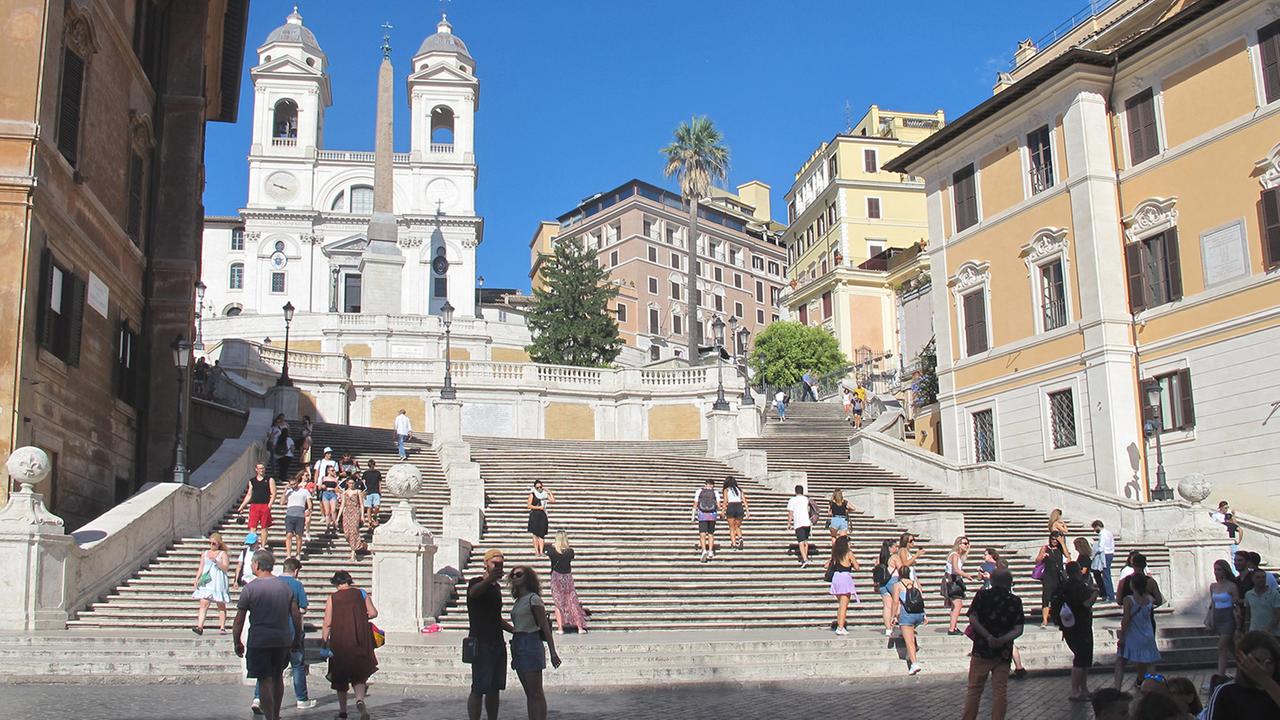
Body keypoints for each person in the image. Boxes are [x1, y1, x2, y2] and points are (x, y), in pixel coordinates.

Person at [232, 550, 303, 720]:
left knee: (264, 679)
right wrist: (296, 638)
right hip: (282, 639)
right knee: (277, 677)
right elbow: (296, 615)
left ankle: (270, 716)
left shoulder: (250, 588)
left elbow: (239, 620)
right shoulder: (285, 587)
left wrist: (237, 641)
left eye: (252, 563)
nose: (251, 565)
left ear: (257, 565)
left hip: (260, 640)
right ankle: (276, 715)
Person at [253, 558, 316, 712]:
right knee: (297, 665)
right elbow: (302, 608)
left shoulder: (273, 582)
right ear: (296, 570)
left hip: (273, 632)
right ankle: (301, 699)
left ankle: (258, 697)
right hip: (292, 631)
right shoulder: (297, 585)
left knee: (267, 668)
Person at [960, 568, 1024, 720]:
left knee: (974, 689)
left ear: (992, 581)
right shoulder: (1015, 600)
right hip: (1003, 651)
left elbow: (973, 619)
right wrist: (1001, 640)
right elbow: (1018, 629)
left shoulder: (982, 596)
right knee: (1000, 691)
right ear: (1009, 583)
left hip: (982, 649)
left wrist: (988, 636)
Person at [508, 565, 562, 720]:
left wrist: (553, 653)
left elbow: (544, 627)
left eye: (519, 574)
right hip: (518, 643)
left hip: (531, 642)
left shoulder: (534, 599)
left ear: (528, 577)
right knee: (529, 693)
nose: (515, 577)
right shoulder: (518, 600)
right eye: (513, 575)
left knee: (536, 692)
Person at [324, 570, 379, 720]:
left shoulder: (333, 598)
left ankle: (343, 711)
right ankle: (360, 700)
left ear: (336, 583)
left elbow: (327, 623)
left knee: (340, 676)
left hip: (340, 641)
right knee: (359, 673)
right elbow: (373, 613)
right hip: (359, 639)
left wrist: (324, 642)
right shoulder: (361, 593)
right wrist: (360, 615)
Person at [468, 549, 514, 720]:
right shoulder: (476, 582)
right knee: (478, 688)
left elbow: (496, 617)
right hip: (481, 642)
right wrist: (489, 580)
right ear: (486, 564)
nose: (498, 567)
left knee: (495, 688)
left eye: (501, 565)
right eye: (495, 564)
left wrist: (513, 630)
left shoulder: (496, 588)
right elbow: (473, 593)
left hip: (497, 641)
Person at [1202, 630, 1280, 719]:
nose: (1262, 668)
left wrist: (1265, 681)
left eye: (1269, 662)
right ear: (1241, 661)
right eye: (1255, 661)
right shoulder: (1226, 692)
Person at [1054, 561, 1097, 702]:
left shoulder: (1063, 586)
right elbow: (1086, 603)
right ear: (1078, 571)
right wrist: (1094, 594)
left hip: (1068, 626)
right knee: (1081, 659)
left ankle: (1084, 689)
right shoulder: (1079, 586)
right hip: (1081, 626)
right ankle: (1075, 691)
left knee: (1083, 658)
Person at [1114, 573, 1161, 690]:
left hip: (1133, 635)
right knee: (1150, 664)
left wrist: (1122, 636)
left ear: (1132, 585)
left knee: (1120, 662)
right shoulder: (1149, 599)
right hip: (1147, 635)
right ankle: (1154, 689)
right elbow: (1158, 601)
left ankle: (1117, 689)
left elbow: (1126, 620)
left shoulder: (1128, 600)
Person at [546, 531, 588, 634]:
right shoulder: (570, 552)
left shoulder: (552, 551)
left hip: (556, 577)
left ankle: (560, 628)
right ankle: (580, 627)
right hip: (567, 577)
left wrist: (553, 545)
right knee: (572, 602)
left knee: (557, 602)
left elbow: (546, 550)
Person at [1207, 559, 1242, 679]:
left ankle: (1220, 675)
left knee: (1222, 646)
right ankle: (1242, 669)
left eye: (1219, 570)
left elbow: (1236, 604)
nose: (1216, 572)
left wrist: (1238, 623)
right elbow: (1212, 604)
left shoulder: (1232, 586)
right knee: (1231, 647)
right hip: (1217, 617)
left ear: (1225, 571)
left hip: (1228, 618)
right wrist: (1210, 619)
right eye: (1215, 569)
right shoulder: (1213, 586)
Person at [891, 562, 927, 675]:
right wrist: (924, 614)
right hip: (918, 614)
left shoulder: (897, 585)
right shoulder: (915, 583)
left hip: (906, 614)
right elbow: (921, 599)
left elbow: (895, 602)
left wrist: (893, 616)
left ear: (899, 574)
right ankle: (910, 654)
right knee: (910, 635)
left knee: (909, 641)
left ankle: (914, 664)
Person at [191, 532, 231, 635]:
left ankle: (222, 627)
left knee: (220, 604)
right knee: (204, 603)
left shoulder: (222, 554)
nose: (212, 545)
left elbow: (226, 568)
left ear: (219, 543)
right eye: (211, 543)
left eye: (214, 543)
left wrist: (217, 562)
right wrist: (197, 578)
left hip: (218, 580)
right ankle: (200, 626)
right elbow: (201, 567)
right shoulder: (205, 553)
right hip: (207, 580)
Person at [825, 534, 860, 635]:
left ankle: (840, 625)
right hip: (845, 577)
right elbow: (857, 567)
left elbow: (826, 565)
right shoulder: (848, 553)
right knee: (844, 605)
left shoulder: (835, 554)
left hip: (836, 578)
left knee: (841, 604)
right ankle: (840, 627)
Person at [237, 463, 278, 547]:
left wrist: (269, 505)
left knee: (264, 527)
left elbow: (274, 493)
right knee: (252, 526)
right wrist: (242, 506)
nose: (261, 470)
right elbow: (249, 495)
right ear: (256, 469)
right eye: (259, 468)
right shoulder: (252, 481)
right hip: (254, 505)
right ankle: (252, 544)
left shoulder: (269, 479)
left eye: (263, 468)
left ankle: (263, 546)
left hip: (265, 505)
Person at [1034, 531, 1067, 627]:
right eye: (1053, 539)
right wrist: (1042, 556)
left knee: (1059, 597)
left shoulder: (1060, 548)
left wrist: (1062, 543)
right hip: (1048, 576)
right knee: (1046, 597)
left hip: (1059, 576)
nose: (1055, 541)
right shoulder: (1045, 548)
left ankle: (1058, 618)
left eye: (1057, 540)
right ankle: (1044, 620)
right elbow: (1037, 560)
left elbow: (1067, 556)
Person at [945, 536, 975, 635]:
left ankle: (953, 627)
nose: (967, 545)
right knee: (958, 605)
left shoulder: (958, 555)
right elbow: (955, 569)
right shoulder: (955, 555)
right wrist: (966, 575)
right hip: (952, 581)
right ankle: (952, 629)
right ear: (959, 544)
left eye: (967, 543)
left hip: (954, 580)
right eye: (964, 543)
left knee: (956, 605)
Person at [281, 472, 312, 560]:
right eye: (291, 484)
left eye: (294, 484)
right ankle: (288, 555)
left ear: (297, 482)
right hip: (290, 515)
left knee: (299, 536)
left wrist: (309, 510)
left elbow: (309, 503)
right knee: (289, 535)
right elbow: (282, 502)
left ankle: (298, 553)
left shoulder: (304, 491)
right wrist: (285, 491)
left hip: (300, 516)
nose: (293, 486)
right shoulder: (289, 492)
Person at [339, 476, 368, 562]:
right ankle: (360, 545)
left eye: (353, 483)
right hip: (347, 513)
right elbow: (342, 505)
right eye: (350, 483)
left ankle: (353, 553)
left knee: (353, 531)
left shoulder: (358, 491)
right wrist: (338, 517)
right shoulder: (345, 493)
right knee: (346, 533)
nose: (351, 485)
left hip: (355, 512)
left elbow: (361, 504)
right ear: (347, 483)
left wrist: (362, 515)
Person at [875, 538, 900, 637]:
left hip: (882, 583)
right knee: (898, 603)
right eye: (895, 546)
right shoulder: (894, 557)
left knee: (887, 606)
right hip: (893, 581)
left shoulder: (880, 557)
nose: (896, 548)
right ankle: (901, 625)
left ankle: (888, 629)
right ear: (890, 547)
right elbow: (901, 569)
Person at [692, 478, 721, 563]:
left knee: (702, 533)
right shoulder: (715, 492)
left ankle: (704, 550)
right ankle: (710, 551)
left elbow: (695, 503)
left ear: (705, 484)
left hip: (702, 514)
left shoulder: (699, 491)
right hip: (712, 515)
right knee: (711, 533)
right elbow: (719, 505)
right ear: (713, 485)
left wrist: (693, 515)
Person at [786, 484, 815, 568]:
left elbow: (790, 513)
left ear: (795, 491)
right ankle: (805, 557)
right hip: (807, 522)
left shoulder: (792, 500)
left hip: (798, 523)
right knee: (805, 541)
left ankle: (805, 560)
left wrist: (789, 523)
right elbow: (809, 510)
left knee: (801, 542)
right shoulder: (806, 499)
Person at [1091, 519, 1117, 602]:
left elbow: (1101, 548)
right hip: (1110, 553)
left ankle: (1109, 595)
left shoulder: (1102, 534)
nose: (1095, 530)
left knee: (1105, 575)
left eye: (1095, 528)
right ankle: (1108, 594)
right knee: (1106, 574)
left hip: (1104, 554)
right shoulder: (1109, 532)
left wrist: (1094, 552)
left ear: (1097, 526)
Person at [527, 481, 554, 557]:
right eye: (537, 487)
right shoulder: (532, 494)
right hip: (534, 515)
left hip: (542, 515)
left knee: (542, 534)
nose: (539, 489)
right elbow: (529, 505)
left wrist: (549, 491)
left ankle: (541, 551)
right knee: (535, 534)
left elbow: (553, 500)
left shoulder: (544, 494)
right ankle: (537, 551)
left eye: (540, 487)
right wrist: (538, 507)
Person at [721, 477, 748, 550]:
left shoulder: (726, 490)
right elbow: (744, 500)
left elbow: (725, 501)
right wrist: (747, 511)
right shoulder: (739, 489)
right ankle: (740, 538)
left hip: (731, 506)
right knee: (738, 526)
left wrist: (722, 511)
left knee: (731, 527)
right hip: (739, 506)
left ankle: (734, 544)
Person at [320, 465, 342, 530]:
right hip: (325, 493)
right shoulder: (324, 478)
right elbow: (319, 486)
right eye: (332, 470)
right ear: (328, 471)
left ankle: (334, 524)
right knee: (327, 512)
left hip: (333, 493)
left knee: (333, 510)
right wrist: (322, 486)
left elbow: (337, 488)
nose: (334, 472)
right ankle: (328, 526)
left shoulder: (335, 479)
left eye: (334, 470)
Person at [362, 459, 382, 528]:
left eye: (372, 465)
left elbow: (379, 483)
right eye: (370, 465)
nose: (371, 466)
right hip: (368, 492)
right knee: (369, 508)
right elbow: (363, 483)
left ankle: (375, 516)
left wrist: (380, 491)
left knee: (377, 506)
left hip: (376, 491)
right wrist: (363, 491)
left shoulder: (378, 473)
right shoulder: (365, 473)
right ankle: (370, 521)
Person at [273, 428, 294, 492]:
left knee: (281, 467)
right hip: (288, 455)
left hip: (279, 456)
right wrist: (292, 453)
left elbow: (274, 446)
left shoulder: (278, 438)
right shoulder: (289, 439)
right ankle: (283, 478)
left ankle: (280, 478)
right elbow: (292, 447)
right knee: (285, 467)